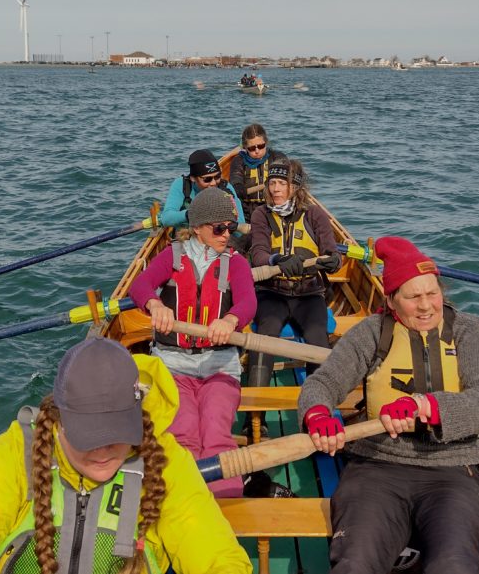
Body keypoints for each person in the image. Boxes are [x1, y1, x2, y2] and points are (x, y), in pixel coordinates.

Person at [0, 336, 252, 574]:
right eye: (90, 436)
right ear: (58, 420)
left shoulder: (165, 461)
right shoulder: (12, 454)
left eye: (118, 433)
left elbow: (218, 558)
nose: (104, 451)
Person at [298, 237, 479, 574]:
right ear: (392, 300)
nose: (426, 306)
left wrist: (425, 406)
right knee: (355, 563)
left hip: (453, 472)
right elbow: (322, 384)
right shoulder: (371, 333)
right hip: (377, 468)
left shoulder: (472, 332)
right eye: (413, 297)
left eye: (432, 293)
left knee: (454, 565)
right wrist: (318, 413)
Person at [128, 187, 255, 498]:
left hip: (219, 366)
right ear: (197, 228)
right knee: (182, 434)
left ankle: (224, 509)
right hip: (173, 366)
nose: (227, 234)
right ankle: (181, 504)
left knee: (216, 433)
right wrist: (155, 306)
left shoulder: (236, 263)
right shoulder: (171, 256)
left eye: (231, 228)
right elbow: (139, 285)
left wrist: (230, 321)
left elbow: (248, 302)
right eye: (219, 228)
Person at [247, 158, 342, 435]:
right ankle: (256, 417)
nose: (276, 189)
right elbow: (259, 253)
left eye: (282, 183)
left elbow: (331, 251)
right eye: (272, 183)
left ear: (295, 187)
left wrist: (331, 261)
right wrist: (278, 259)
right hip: (271, 292)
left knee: (317, 340)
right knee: (264, 338)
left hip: (308, 294)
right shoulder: (261, 215)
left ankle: (318, 412)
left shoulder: (315, 215)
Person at [157, 148, 245, 232]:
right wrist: (192, 213)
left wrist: (230, 226)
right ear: (193, 178)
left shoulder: (226, 188)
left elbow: (241, 225)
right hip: (186, 237)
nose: (213, 183)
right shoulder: (182, 185)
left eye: (217, 177)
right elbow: (166, 218)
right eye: (207, 179)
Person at [228, 123, 285, 224]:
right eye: (252, 148)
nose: (257, 151)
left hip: (273, 207)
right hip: (247, 210)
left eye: (261, 146)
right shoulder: (239, 161)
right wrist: (238, 187)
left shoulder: (277, 158)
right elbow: (236, 183)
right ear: (245, 147)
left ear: (266, 143)